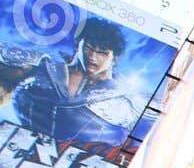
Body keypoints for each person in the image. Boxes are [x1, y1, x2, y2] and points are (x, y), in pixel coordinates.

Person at [12, 17, 140, 145]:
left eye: (102, 53)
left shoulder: (122, 96)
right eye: (88, 48)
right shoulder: (47, 71)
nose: (92, 57)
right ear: (78, 45)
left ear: (114, 58)